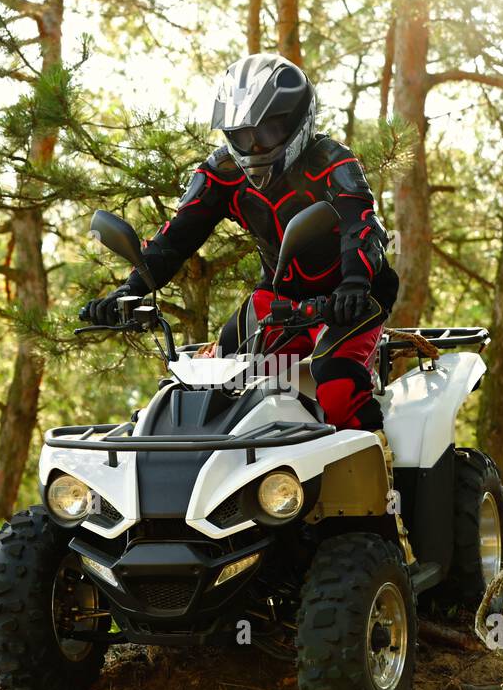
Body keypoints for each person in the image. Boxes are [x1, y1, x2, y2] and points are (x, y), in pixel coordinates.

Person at [82, 53, 397, 431]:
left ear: (298, 120)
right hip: (279, 300)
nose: (254, 146)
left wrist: (354, 284)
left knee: (337, 384)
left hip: (354, 297)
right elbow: (176, 237)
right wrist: (128, 291)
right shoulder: (221, 174)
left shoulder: (332, 161)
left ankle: (385, 473)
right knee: (210, 383)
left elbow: (360, 226)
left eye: (265, 132)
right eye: (242, 135)